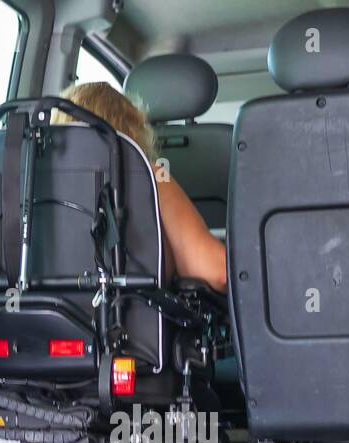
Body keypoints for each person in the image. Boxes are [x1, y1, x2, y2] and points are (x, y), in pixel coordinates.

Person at [52, 82, 228, 292]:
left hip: (42, 322)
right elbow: (217, 272)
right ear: (132, 130)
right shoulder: (150, 176)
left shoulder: (32, 189)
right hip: (129, 321)